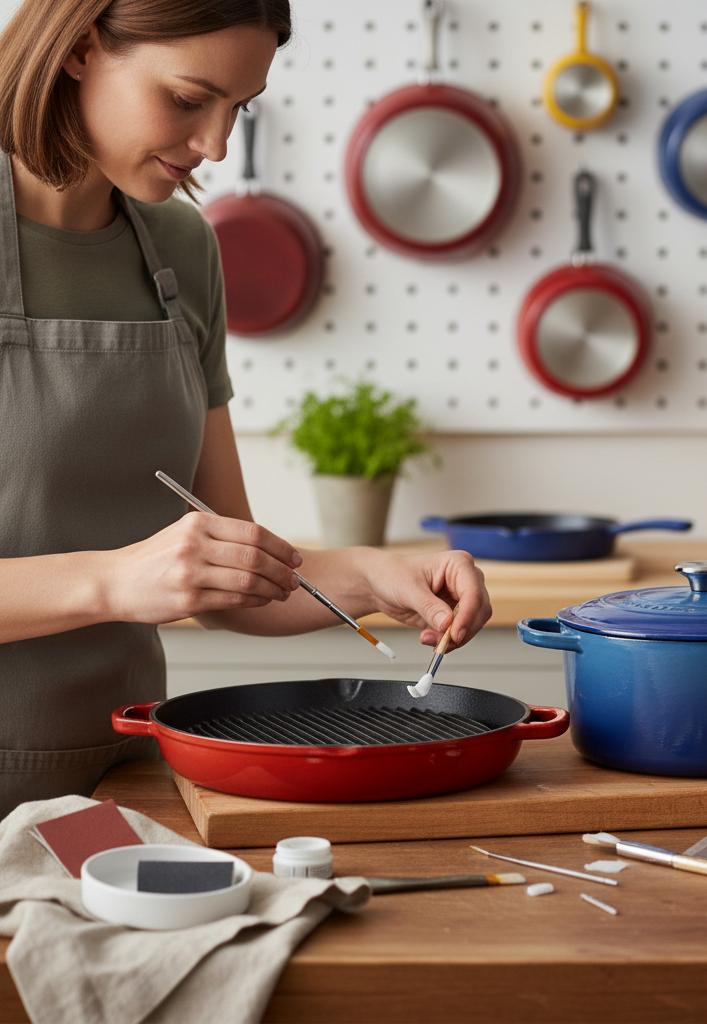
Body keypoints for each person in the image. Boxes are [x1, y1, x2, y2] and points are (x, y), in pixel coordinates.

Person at [0, 0, 491, 818]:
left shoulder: (182, 249)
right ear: (83, 48)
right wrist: (115, 581)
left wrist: (374, 573)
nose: (217, 147)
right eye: (191, 99)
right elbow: (140, 580)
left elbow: (227, 582)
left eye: (240, 108)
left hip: (120, 786)